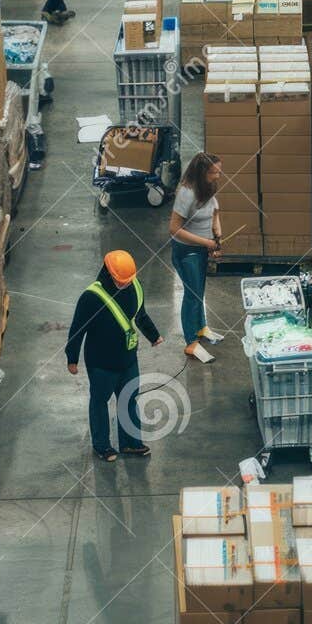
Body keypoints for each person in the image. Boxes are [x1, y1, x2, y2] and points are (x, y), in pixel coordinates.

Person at [65, 250, 165, 461]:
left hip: (128, 359)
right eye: (121, 281)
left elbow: (141, 315)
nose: (125, 284)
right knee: (100, 401)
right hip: (101, 363)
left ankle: (130, 443)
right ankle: (102, 445)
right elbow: (77, 329)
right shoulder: (91, 297)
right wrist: (72, 358)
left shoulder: (134, 286)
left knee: (129, 398)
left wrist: (154, 336)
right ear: (109, 274)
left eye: (128, 281)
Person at [169, 152, 224, 359]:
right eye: (213, 172)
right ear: (202, 173)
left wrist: (218, 234)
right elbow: (174, 229)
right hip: (187, 251)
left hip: (202, 249)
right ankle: (190, 342)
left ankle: (201, 328)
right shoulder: (186, 193)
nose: (217, 176)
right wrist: (206, 243)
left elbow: (215, 210)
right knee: (192, 296)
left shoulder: (207, 186)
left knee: (199, 291)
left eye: (219, 171)